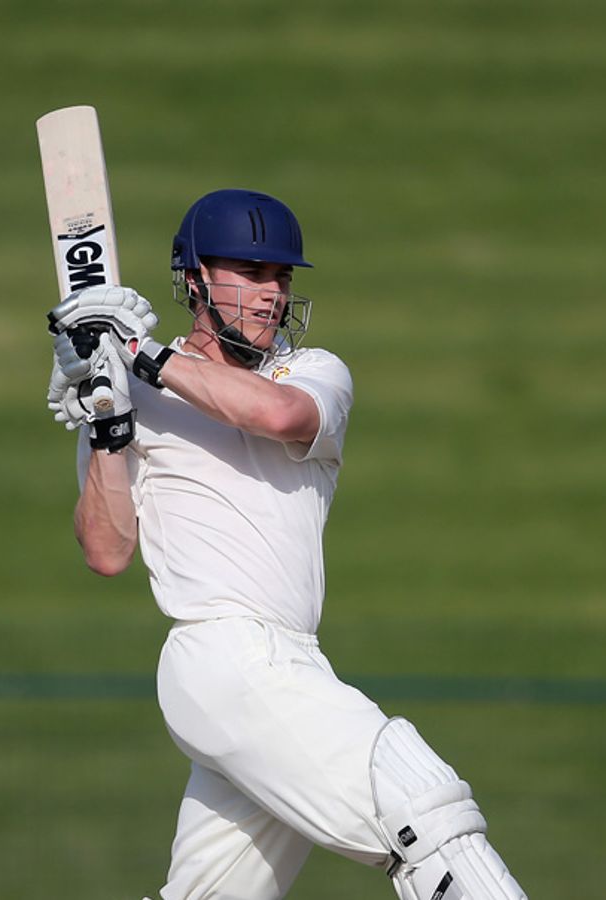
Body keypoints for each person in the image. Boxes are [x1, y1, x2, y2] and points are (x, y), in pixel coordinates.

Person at [44, 188, 528, 900]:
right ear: (195, 279)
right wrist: (111, 426)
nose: (272, 293)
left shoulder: (312, 371)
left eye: (281, 276)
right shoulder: (127, 394)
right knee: (421, 808)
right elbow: (107, 551)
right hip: (223, 657)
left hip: (287, 661)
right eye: (251, 272)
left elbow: (276, 415)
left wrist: (141, 354)